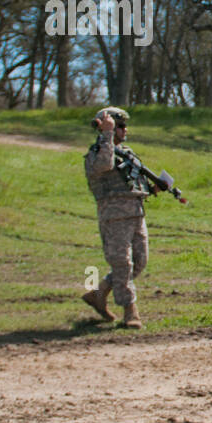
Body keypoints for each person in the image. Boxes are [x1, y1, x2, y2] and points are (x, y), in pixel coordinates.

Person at [81, 107, 153, 328]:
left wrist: (153, 188)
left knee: (139, 262)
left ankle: (99, 292)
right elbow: (104, 166)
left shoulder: (127, 153)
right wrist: (107, 135)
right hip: (114, 217)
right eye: (119, 126)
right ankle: (130, 311)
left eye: (122, 126)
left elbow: (132, 181)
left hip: (136, 213)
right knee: (123, 263)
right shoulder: (97, 152)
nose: (124, 130)